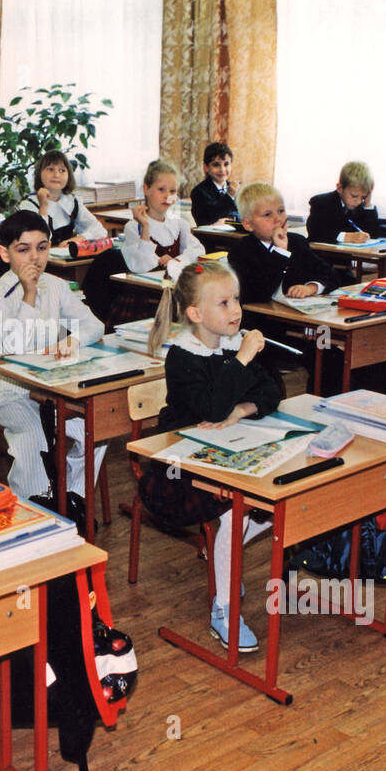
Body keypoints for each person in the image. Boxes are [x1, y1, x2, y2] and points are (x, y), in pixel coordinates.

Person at [146, 260, 281, 651]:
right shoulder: (183, 357)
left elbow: (273, 390)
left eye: (236, 299)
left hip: (225, 452)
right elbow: (210, 407)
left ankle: (226, 553)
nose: (236, 310)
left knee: (277, 501)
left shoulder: (229, 345)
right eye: (223, 303)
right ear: (195, 314)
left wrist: (242, 410)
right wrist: (240, 363)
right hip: (176, 469)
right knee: (234, 511)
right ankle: (223, 609)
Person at [0, 210, 106, 503]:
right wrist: (29, 294)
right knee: (33, 435)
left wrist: (72, 340)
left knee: (98, 428)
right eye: (23, 250)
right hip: (9, 393)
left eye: (42, 247)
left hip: (50, 389)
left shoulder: (58, 286)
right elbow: (17, 344)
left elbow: (94, 325)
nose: (34, 258)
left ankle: (73, 497)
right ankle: (31, 506)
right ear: (5, 253)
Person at [90, 158, 207, 324]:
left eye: (172, 191)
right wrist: (145, 226)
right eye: (161, 190)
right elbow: (141, 265)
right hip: (143, 301)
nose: (167, 196)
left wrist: (176, 261)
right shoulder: (134, 227)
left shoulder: (179, 225)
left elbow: (198, 251)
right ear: (146, 189)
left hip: (172, 298)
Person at [226, 182, 341, 303]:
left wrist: (311, 287)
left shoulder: (297, 242)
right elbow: (258, 293)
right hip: (262, 319)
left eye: (281, 211)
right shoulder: (240, 251)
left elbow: (332, 275)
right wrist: (280, 251)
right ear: (248, 224)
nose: (278, 219)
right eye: (267, 214)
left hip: (296, 317)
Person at [17, 151, 105, 247]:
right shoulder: (28, 205)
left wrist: (79, 239)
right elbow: (39, 241)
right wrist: (43, 207)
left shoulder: (72, 201)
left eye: (62, 170)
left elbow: (99, 230)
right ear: (39, 174)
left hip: (66, 260)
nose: (56, 175)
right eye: (50, 169)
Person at [305, 161, 386, 243]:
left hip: (345, 258)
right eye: (354, 196)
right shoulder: (321, 202)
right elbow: (315, 232)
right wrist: (346, 237)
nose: (359, 201)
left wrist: (367, 204)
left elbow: (372, 235)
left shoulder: (358, 206)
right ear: (340, 188)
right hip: (321, 258)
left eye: (363, 197)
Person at [189, 141, 241, 226]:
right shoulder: (199, 191)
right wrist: (229, 196)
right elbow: (208, 218)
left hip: (234, 236)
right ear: (206, 167)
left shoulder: (235, 189)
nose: (222, 170)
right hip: (210, 237)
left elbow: (243, 215)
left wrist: (229, 219)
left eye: (226, 164)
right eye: (216, 165)